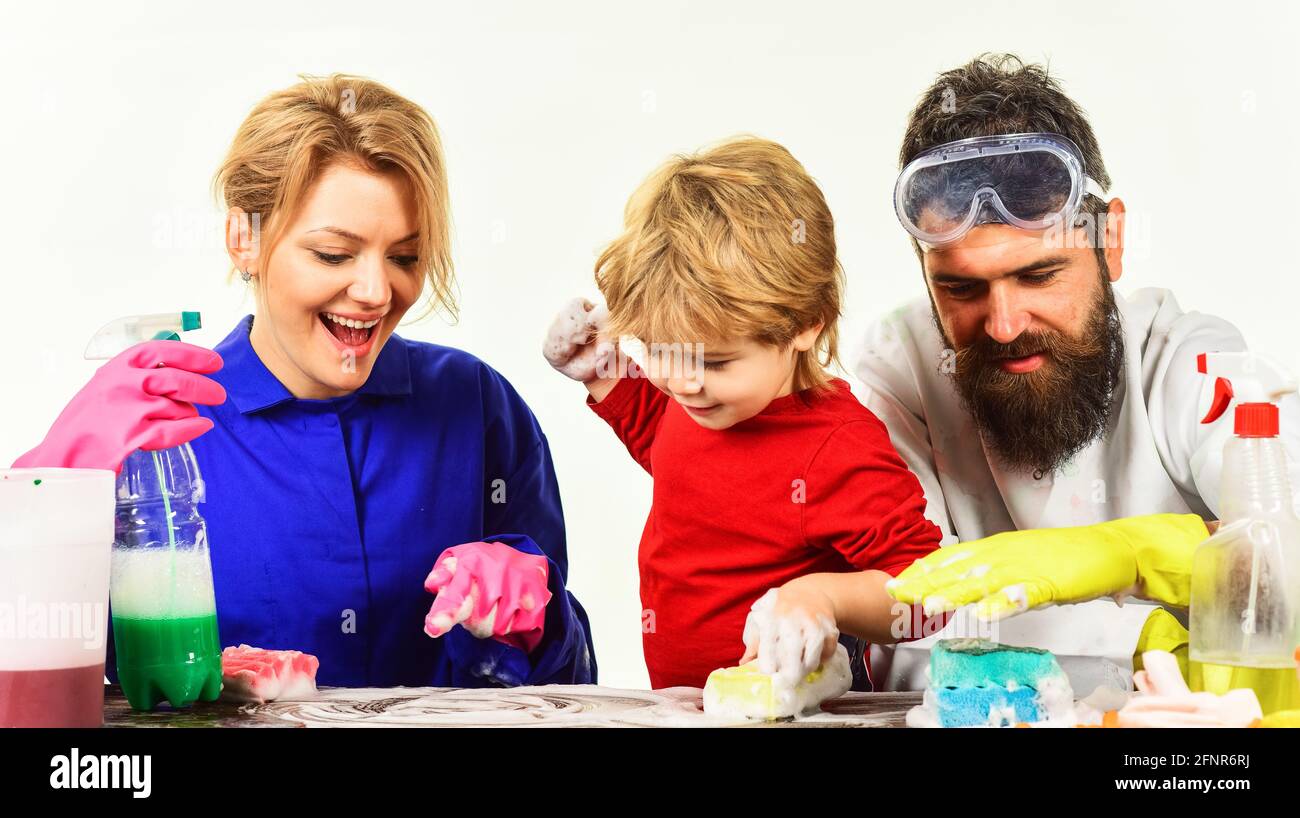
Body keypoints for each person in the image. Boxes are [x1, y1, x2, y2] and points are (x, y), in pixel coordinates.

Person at [15, 74, 595, 688]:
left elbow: (572, 687)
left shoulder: (476, 406)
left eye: (403, 257)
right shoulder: (157, 436)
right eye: (333, 254)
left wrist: (540, 619)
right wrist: (47, 494)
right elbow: (37, 679)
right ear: (245, 239)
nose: (375, 293)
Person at [854, 55, 1300, 692]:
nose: (1004, 324)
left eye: (1039, 275)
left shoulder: (1190, 364)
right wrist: (1146, 634)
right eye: (961, 288)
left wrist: (1134, 556)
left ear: (1109, 241)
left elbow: (1288, 557)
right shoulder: (901, 372)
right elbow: (903, 631)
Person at [543, 137, 941, 689]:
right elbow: (670, 448)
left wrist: (823, 596)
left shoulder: (837, 446)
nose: (680, 382)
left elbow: (930, 592)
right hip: (681, 705)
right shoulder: (703, 400)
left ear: (808, 324)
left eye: (714, 361)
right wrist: (603, 370)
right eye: (659, 349)